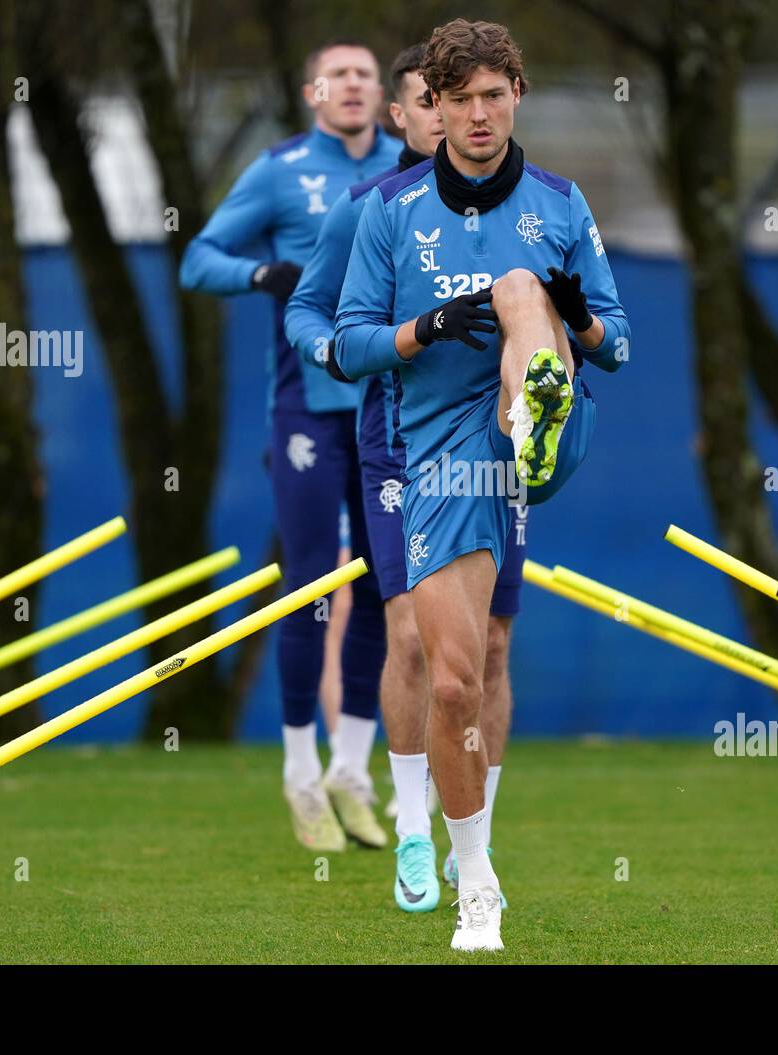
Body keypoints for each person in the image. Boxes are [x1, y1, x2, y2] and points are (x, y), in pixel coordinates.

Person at [335, 20, 628, 951]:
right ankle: (478, 883)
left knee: (518, 285)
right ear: (432, 107)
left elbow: (619, 345)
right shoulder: (390, 209)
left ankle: (533, 406)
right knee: (457, 682)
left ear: (517, 96)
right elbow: (347, 347)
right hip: (449, 461)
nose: (475, 114)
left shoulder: (559, 201)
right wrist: (426, 327)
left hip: (545, 436)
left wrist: (574, 317)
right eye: (456, 98)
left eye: (492, 95)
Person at [286, 44, 529, 915]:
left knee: (493, 645)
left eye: (468, 98)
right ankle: (415, 826)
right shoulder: (371, 209)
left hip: (497, 451)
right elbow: (310, 313)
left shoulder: (527, 206)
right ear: (403, 116)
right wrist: (356, 353)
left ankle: (480, 843)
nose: (451, 115)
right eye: (432, 101)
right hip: (396, 447)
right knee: (415, 639)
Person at [180, 40, 401, 853]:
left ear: (385, 95)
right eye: (337, 75)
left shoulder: (411, 166)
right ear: (313, 91)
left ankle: (351, 767)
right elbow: (197, 259)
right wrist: (260, 275)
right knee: (311, 584)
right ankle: (299, 771)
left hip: (390, 403)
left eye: (365, 76)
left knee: (383, 583)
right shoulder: (279, 170)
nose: (352, 86)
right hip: (306, 410)